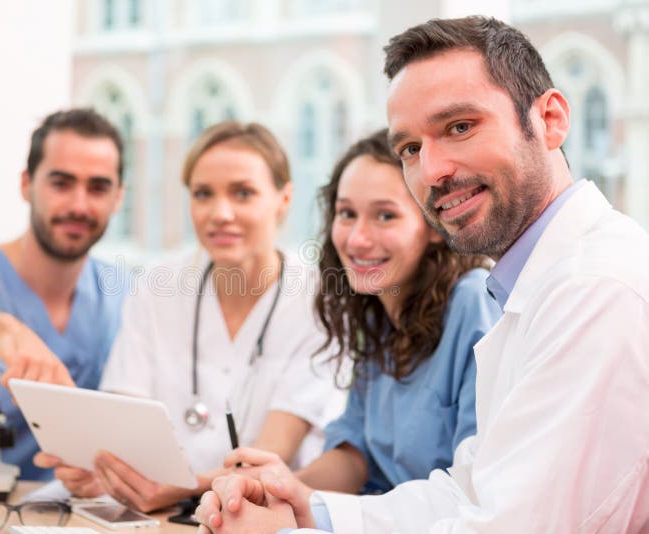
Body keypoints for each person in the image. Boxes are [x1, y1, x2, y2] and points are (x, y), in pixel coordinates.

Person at [195, 16, 649, 533]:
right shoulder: (528, 287)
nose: (431, 172)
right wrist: (304, 512)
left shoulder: (595, 290)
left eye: (460, 126)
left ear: (550, 119)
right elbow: (467, 488)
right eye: (410, 148)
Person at [35, 120, 346, 512]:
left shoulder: (319, 300)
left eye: (243, 193)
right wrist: (105, 470)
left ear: (284, 199)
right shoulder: (157, 286)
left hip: (262, 516)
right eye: (203, 194)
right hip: (158, 517)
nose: (220, 213)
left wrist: (184, 486)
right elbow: (124, 421)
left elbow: (269, 456)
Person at [222, 130, 500, 497]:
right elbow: (356, 458)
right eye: (347, 214)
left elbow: (475, 483)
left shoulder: (473, 302)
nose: (356, 240)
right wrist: (273, 491)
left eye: (385, 216)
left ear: (436, 225)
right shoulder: (376, 317)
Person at [0, 109, 130, 480]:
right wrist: (5, 331)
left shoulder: (124, 297)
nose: (79, 205)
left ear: (118, 197)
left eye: (98, 187)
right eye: (61, 183)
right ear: (26, 184)